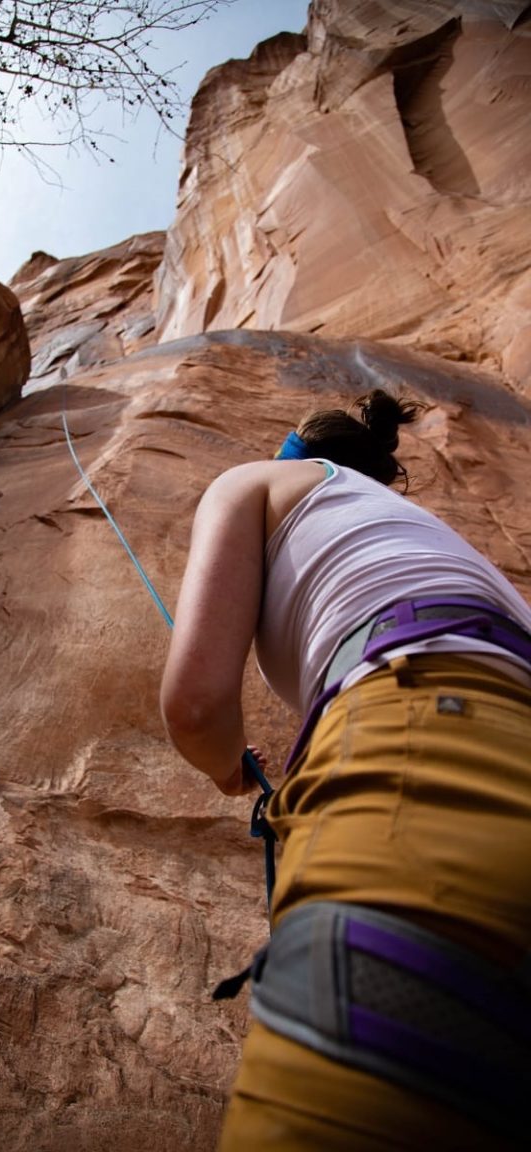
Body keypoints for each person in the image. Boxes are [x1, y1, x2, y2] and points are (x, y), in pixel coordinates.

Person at [160, 389, 531, 1151]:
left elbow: (195, 708)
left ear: (289, 453)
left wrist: (232, 771)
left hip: (432, 745)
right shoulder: (427, 537)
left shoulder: (255, 482)